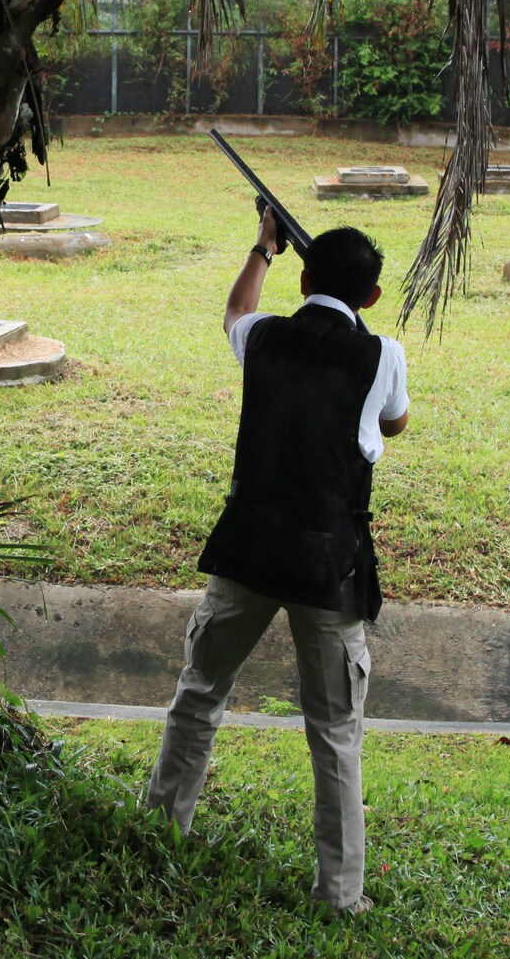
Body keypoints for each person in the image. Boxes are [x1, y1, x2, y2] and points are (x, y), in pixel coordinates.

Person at [144, 203, 410, 916]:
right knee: (335, 732)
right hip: (328, 566)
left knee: (199, 695)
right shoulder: (383, 355)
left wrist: (263, 246)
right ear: (372, 296)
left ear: (302, 280)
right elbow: (395, 421)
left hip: (249, 550)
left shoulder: (263, 336)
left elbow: (236, 310)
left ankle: (157, 835)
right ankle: (339, 895)